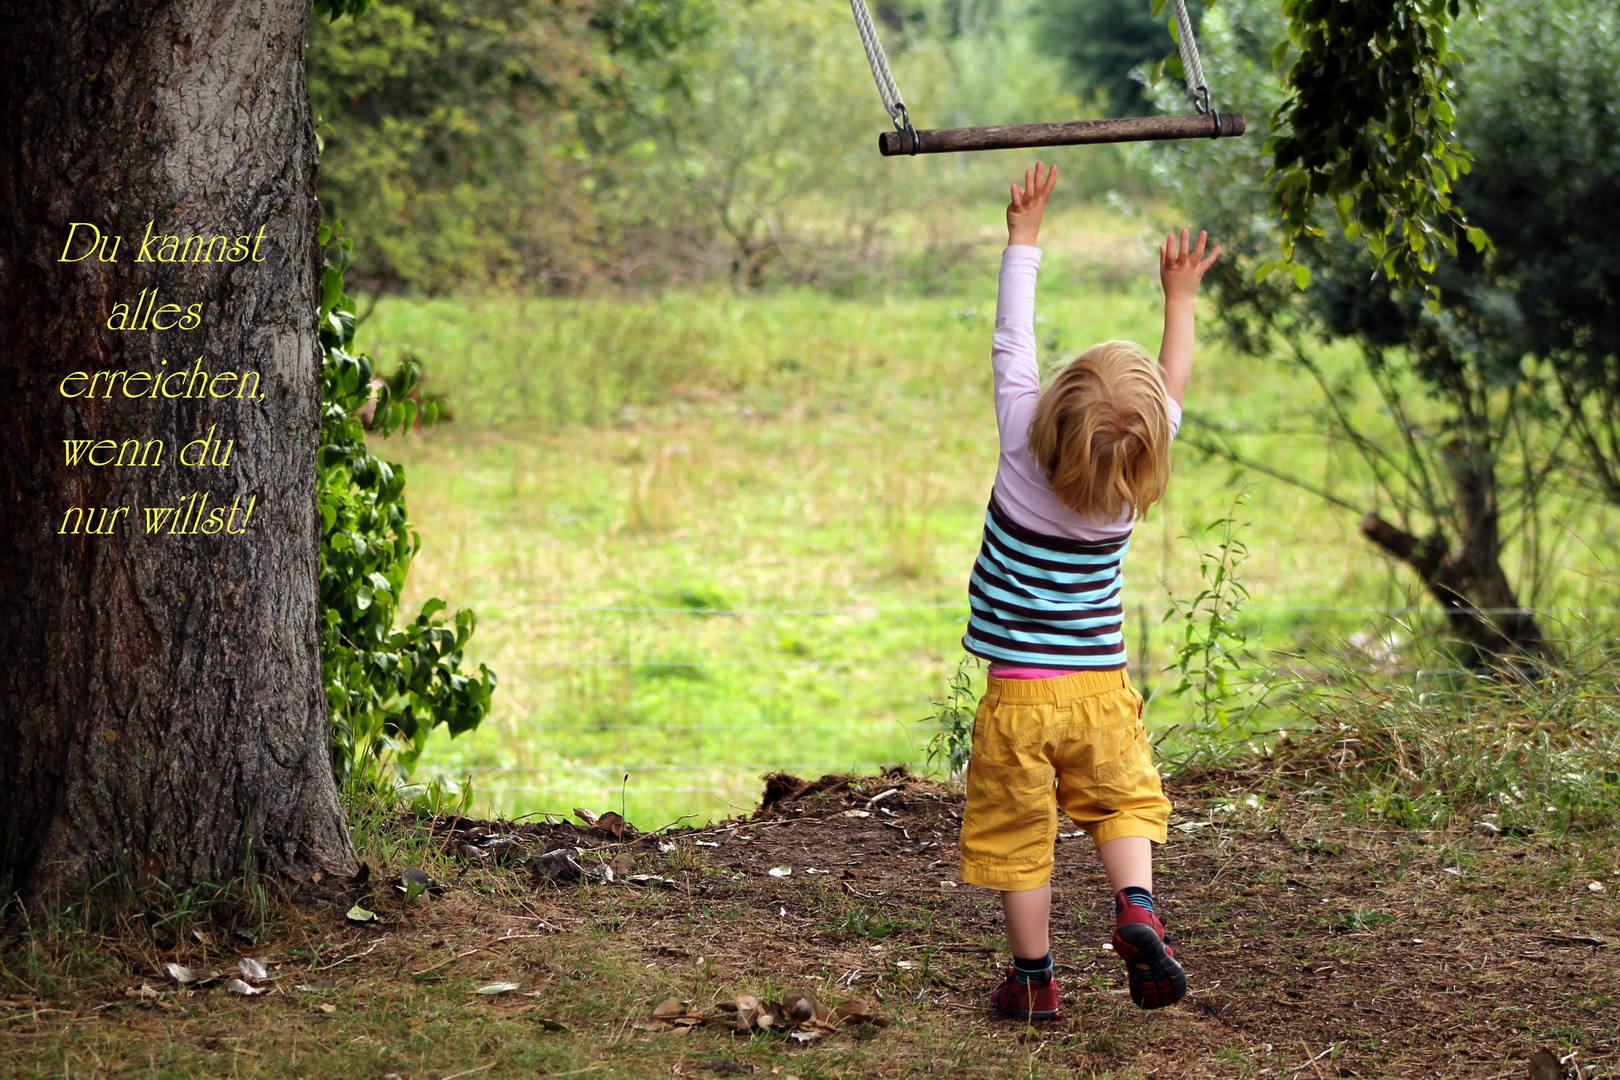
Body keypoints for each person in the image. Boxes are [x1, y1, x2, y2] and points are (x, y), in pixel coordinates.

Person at [957, 161, 1220, 1021]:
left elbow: (1011, 340)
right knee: (1122, 802)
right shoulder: (1133, 485)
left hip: (1019, 693)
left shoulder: (1018, 440)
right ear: (1146, 445)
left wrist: (1023, 239)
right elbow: (1171, 390)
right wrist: (1179, 297)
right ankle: (1137, 907)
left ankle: (1034, 983)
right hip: (1102, 690)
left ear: (1055, 405)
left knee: (1018, 838)